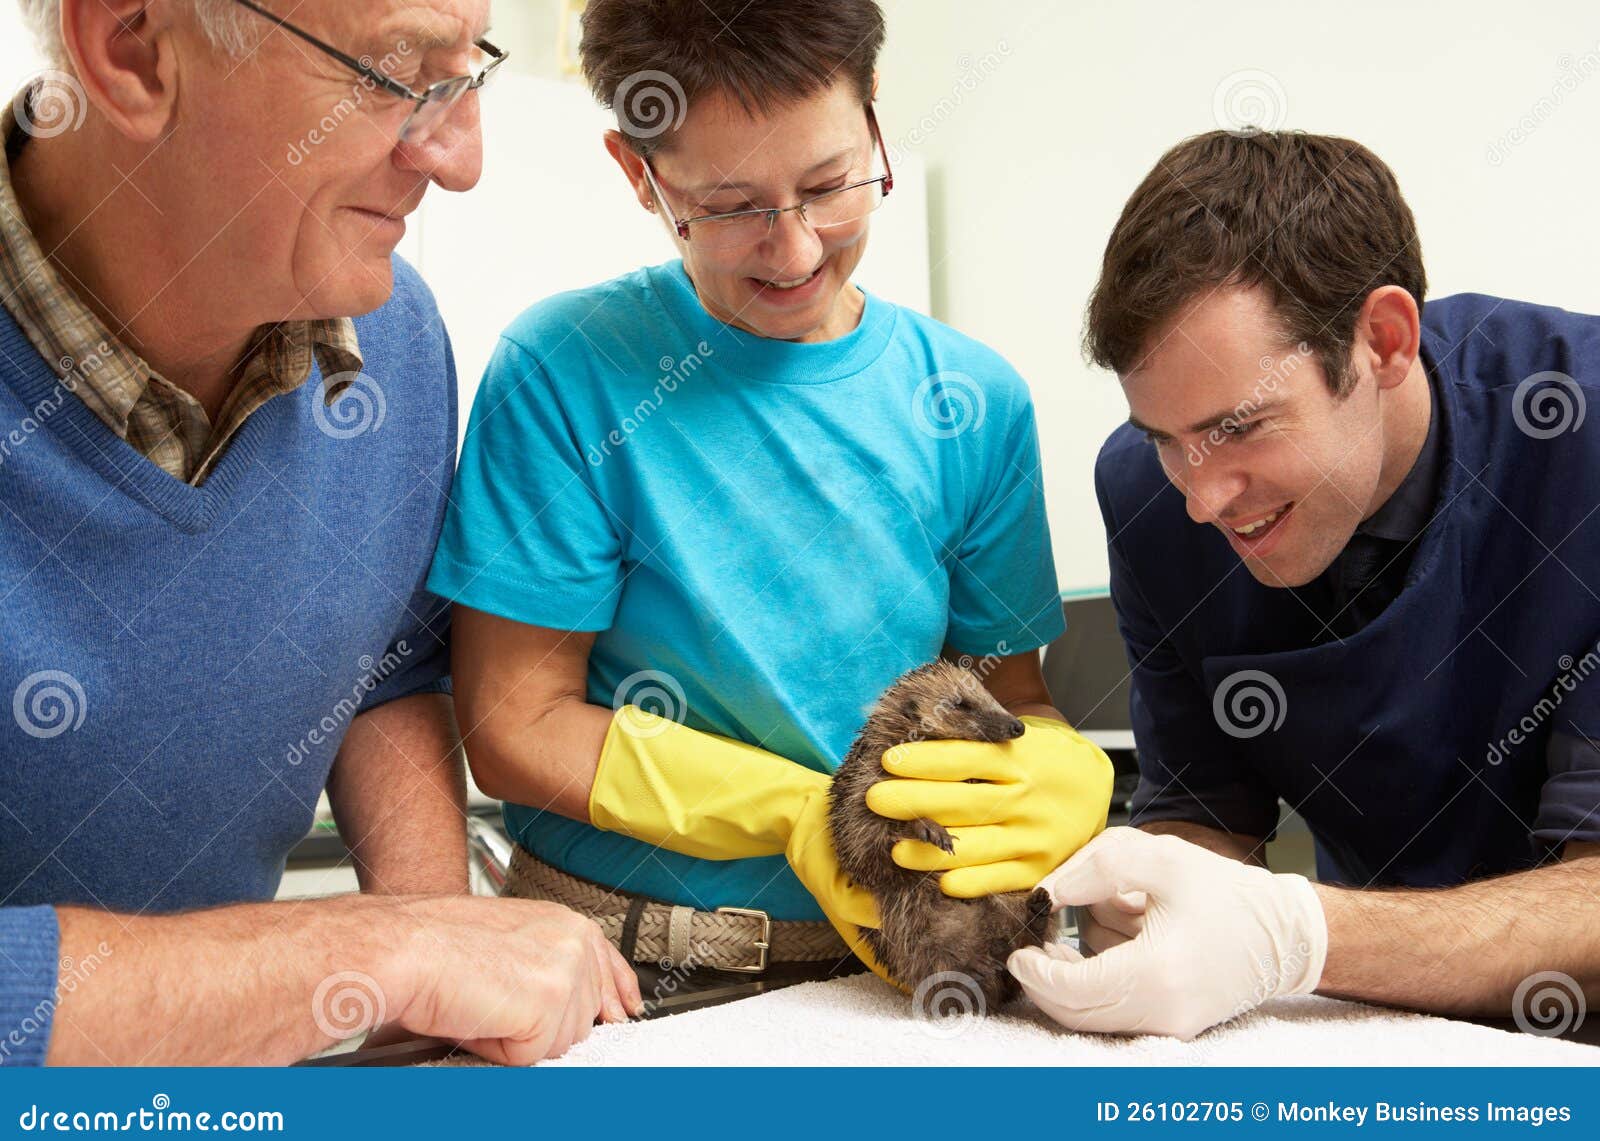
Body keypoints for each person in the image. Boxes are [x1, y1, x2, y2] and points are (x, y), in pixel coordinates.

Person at [0, 0, 638, 1068]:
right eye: (394, 73)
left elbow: (382, 665)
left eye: (464, 72)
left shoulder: (396, 344)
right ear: (131, 49)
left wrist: (441, 967)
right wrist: (367, 953)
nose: (460, 160)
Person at [429, 0, 1112, 989]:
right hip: (619, 963)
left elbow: (1005, 697)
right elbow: (514, 726)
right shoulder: (567, 370)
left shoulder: (973, 402)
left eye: (830, 186)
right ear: (639, 174)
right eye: (730, 206)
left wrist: (1055, 765)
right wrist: (793, 813)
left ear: (873, 113)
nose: (793, 252)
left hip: (887, 973)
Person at [1010, 129, 1600, 1039]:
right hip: (1376, 1015)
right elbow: (1201, 808)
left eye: (1240, 427)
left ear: (1384, 343)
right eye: (1166, 438)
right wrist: (1141, 902)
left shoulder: (1577, 438)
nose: (1202, 500)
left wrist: (1294, 934)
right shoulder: (1147, 497)